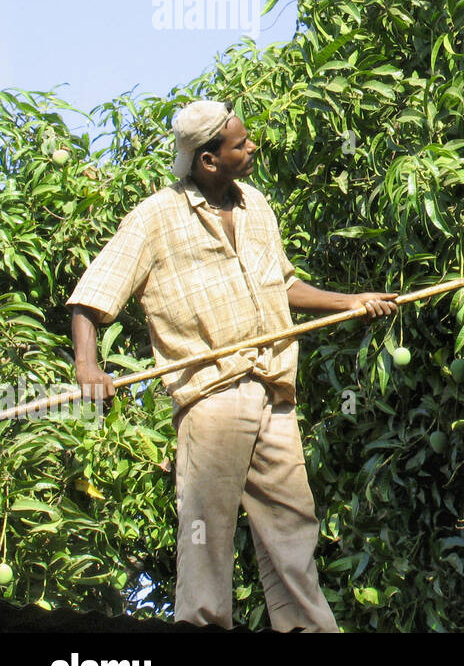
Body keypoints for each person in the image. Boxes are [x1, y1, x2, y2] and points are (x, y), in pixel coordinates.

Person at [67, 99, 397, 632]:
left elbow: (284, 285)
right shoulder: (157, 217)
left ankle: (309, 628)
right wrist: (88, 366)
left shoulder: (256, 206)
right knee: (207, 529)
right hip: (212, 391)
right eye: (239, 144)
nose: (251, 149)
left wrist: (350, 301)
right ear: (207, 160)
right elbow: (92, 297)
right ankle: (203, 625)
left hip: (274, 386)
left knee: (292, 527)